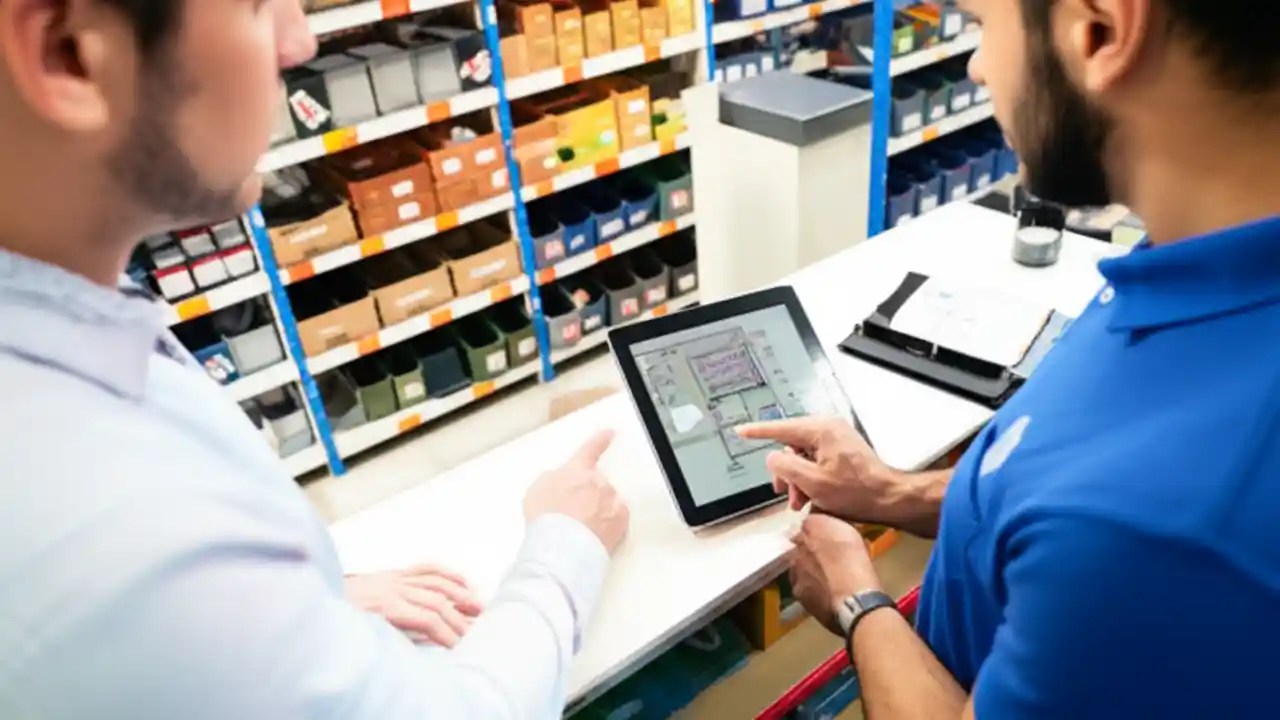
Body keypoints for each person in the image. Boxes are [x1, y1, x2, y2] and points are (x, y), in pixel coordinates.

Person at [0, 0, 628, 717]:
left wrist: (304, 602)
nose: (301, 43)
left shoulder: (62, 316)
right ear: (68, 52)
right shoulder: (122, 543)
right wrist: (564, 546)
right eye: (260, 6)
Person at [740, 0, 1280, 717]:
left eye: (983, 24)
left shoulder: (1164, 530)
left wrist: (857, 600)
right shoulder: (1190, 268)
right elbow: (1043, 483)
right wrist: (889, 492)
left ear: (1101, 31)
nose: (976, 65)